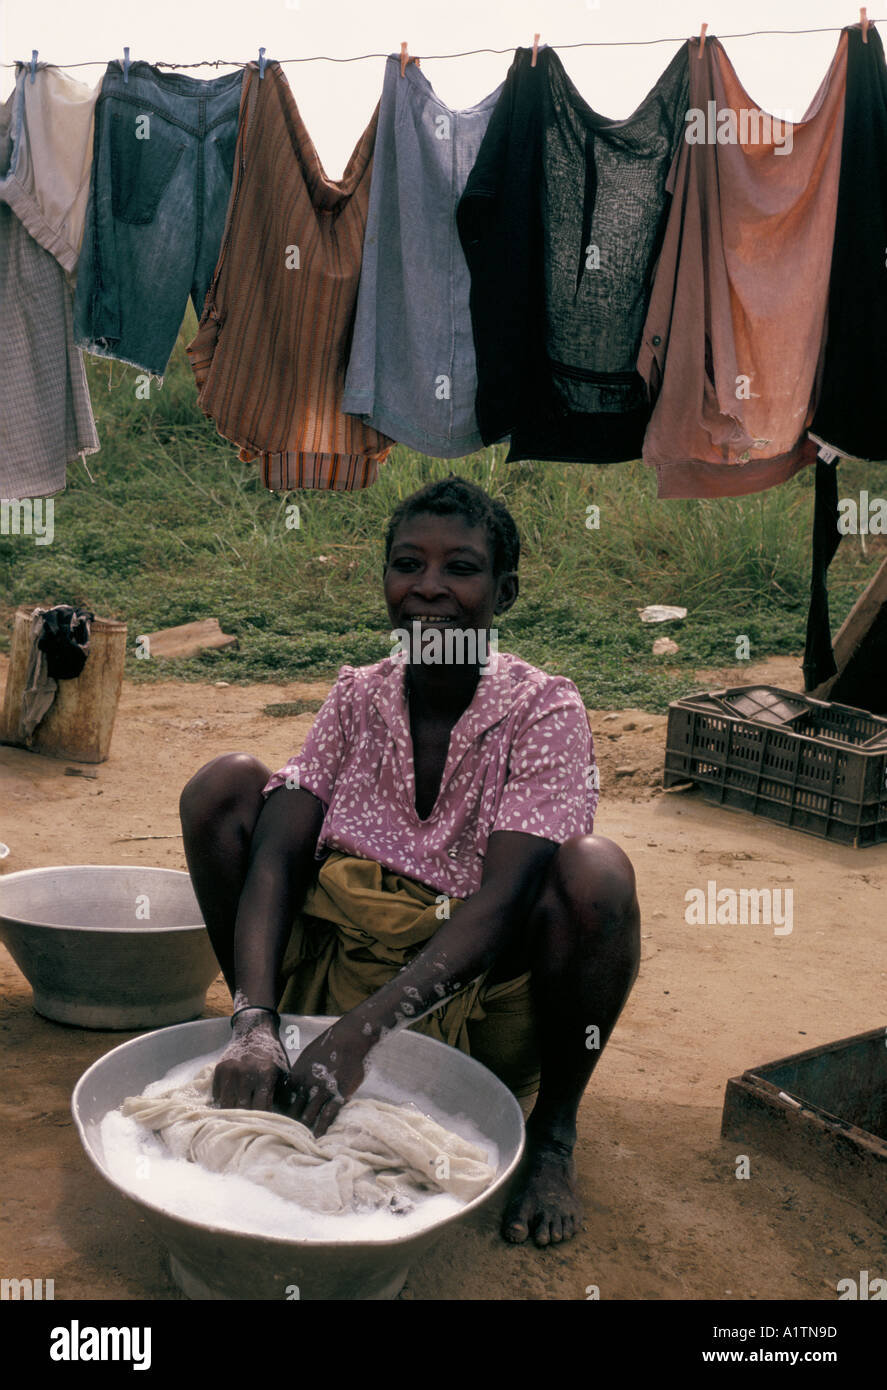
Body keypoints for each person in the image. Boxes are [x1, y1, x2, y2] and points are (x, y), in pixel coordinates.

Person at [180, 476, 641, 1247]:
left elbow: (502, 904)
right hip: (329, 982)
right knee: (224, 786)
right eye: (407, 565)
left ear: (505, 590)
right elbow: (274, 853)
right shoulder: (358, 697)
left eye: (459, 568)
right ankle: (265, 1045)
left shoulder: (542, 711)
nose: (428, 588)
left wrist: (361, 1035)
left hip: (470, 999)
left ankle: (553, 1138)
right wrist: (255, 1018)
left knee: (596, 874)